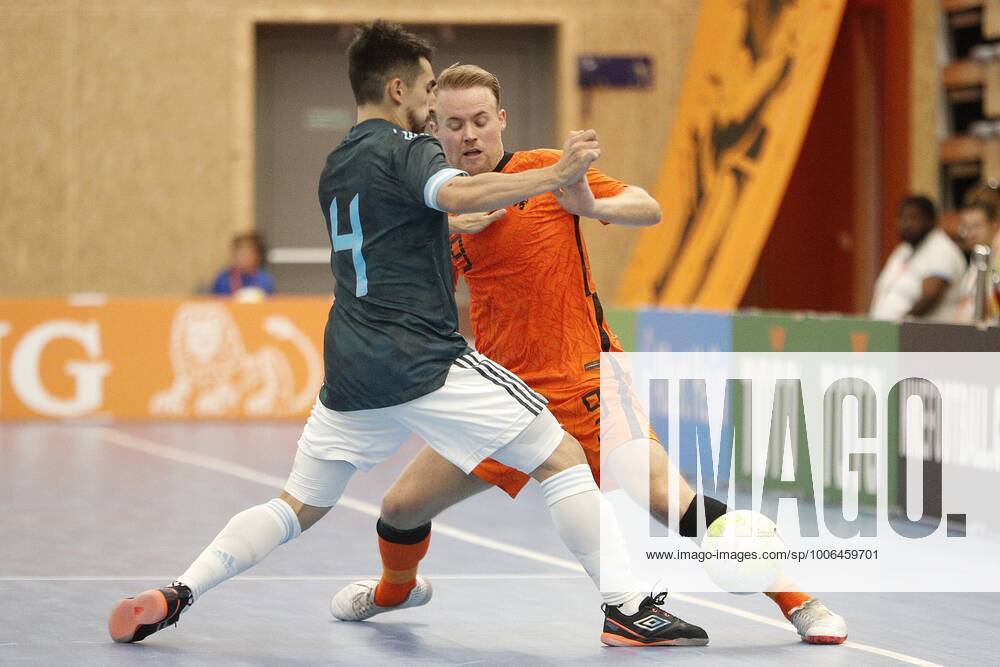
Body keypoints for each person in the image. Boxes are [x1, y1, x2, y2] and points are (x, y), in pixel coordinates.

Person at [107, 21, 708, 648]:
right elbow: (460, 187)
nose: (431, 106)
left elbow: (405, 225)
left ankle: (179, 592)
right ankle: (626, 607)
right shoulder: (409, 148)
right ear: (397, 88)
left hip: (350, 366)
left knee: (294, 508)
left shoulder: (337, 164)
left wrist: (454, 221)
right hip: (422, 357)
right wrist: (557, 175)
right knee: (561, 456)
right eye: (425, 89)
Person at [330, 63, 847, 645]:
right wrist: (445, 231)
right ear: (435, 130)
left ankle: (799, 602)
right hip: (501, 396)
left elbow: (647, 206)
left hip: (586, 380)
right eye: (453, 124)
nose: (469, 135)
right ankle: (393, 591)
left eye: (480, 121)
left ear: (501, 121)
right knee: (400, 506)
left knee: (664, 496)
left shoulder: (544, 173)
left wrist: (586, 201)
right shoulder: (437, 203)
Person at [870, 195, 966, 322]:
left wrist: (900, 324)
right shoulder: (903, 249)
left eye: (914, 218)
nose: (906, 224)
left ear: (931, 220)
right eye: (902, 217)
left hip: (919, 334)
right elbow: (883, 290)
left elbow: (930, 296)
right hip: (886, 331)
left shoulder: (942, 249)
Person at [954, 190, 1000, 323]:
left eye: (977, 226)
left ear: (995, 224)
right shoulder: (977, 258)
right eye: (966, 228)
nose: (970, 234)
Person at [211, 232, 275, 299]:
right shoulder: (223, 278)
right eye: (239, 253)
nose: (242, 258)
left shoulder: (264, 279)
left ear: (257, 256)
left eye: (247, 253)